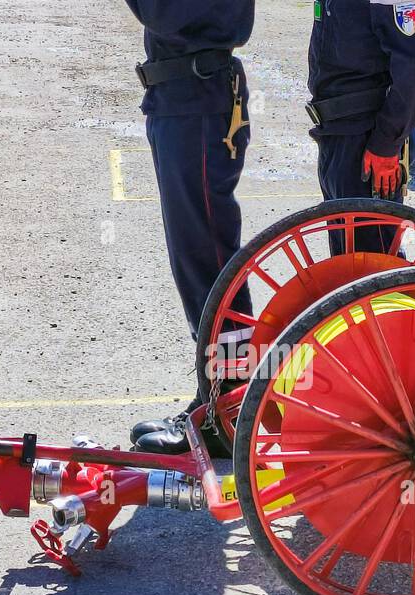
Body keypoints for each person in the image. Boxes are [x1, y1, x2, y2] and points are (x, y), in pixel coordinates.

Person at [122, 2, 255, 455]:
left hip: (197, 97)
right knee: (197, 258)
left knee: (208, 259)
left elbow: (166, 13)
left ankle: (229, 407)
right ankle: (222, 398)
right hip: (184, 94)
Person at [306, 0, 415, 253]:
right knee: (349, 261)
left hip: (367, 138)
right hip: (338, 132)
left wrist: (386, 143)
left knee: (373, 262)